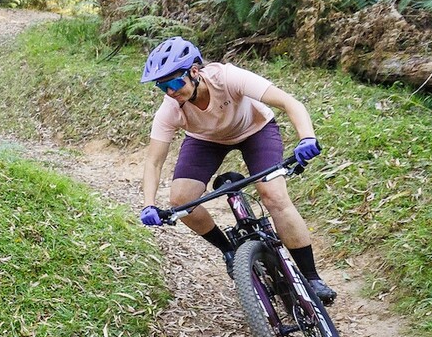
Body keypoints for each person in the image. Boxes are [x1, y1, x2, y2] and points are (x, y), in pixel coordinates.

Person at [135, 36, 336, 305]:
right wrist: (148, 204)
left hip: (256, 130)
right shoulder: (170, 109)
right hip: (206, 141)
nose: (171, 92)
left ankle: (311, 278)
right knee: (180, 200)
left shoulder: (228, 77)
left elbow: (290, 103)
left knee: (274, 195)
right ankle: (230, 251)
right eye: (163, 87)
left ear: (195, 71)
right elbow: (154, 161)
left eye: (174, 83)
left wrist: (307, 138)